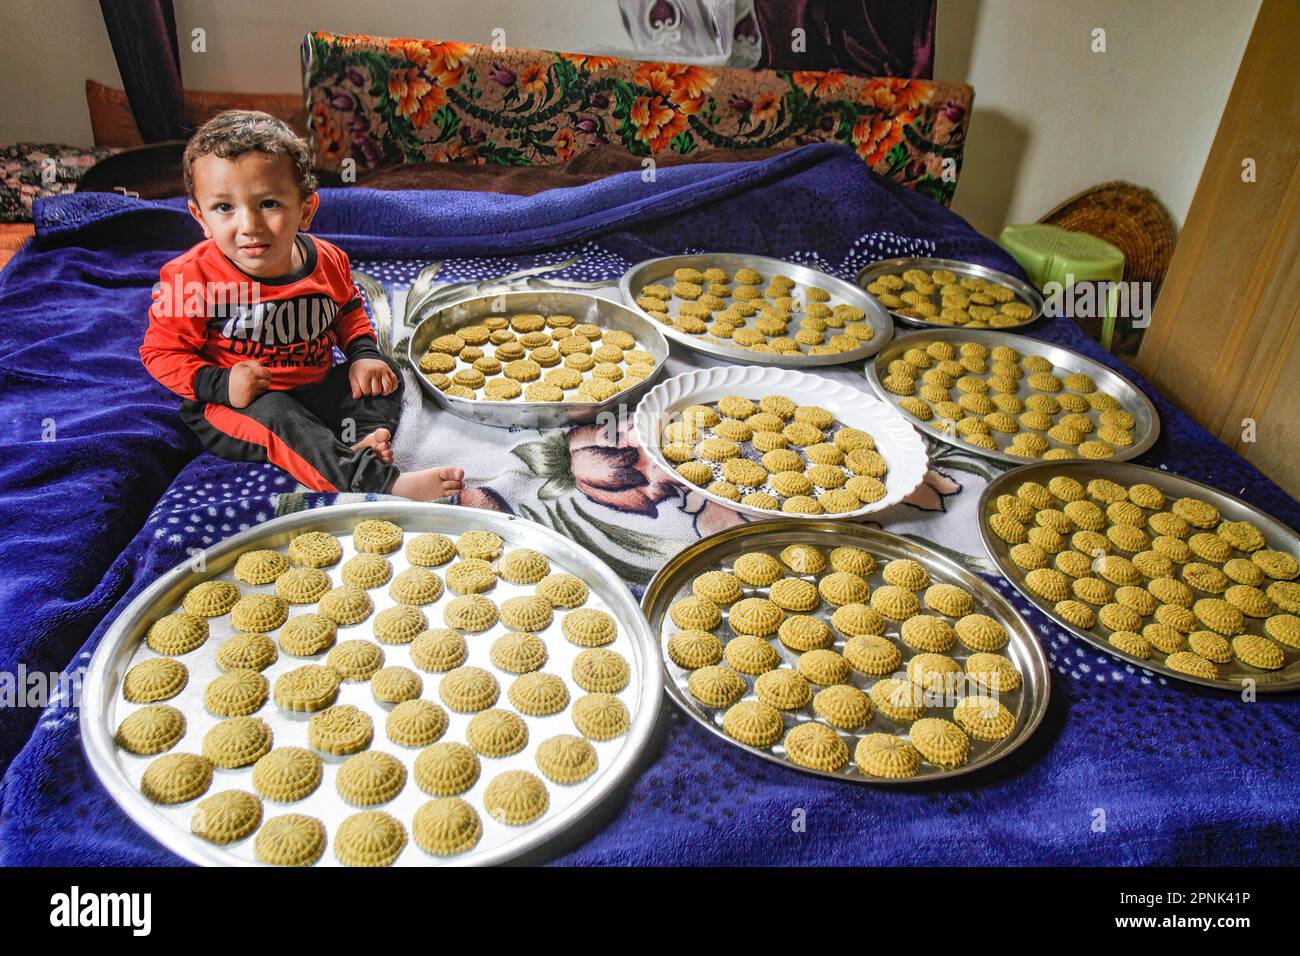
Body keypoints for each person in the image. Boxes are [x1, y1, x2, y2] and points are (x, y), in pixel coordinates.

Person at [140, 110, 463, 500]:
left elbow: (348, 311)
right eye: (224, 207)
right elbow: (161, 353)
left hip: (316, 388)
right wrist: (222, 384)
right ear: (200, 217)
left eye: (269, 203)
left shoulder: (328, 260)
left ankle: (361, 438)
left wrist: (361, 355)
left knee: (384, 375)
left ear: (306, 209)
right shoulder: (192, 278)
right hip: (237, 407)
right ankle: (381, 481)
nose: (249, 226)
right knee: (280, 414)